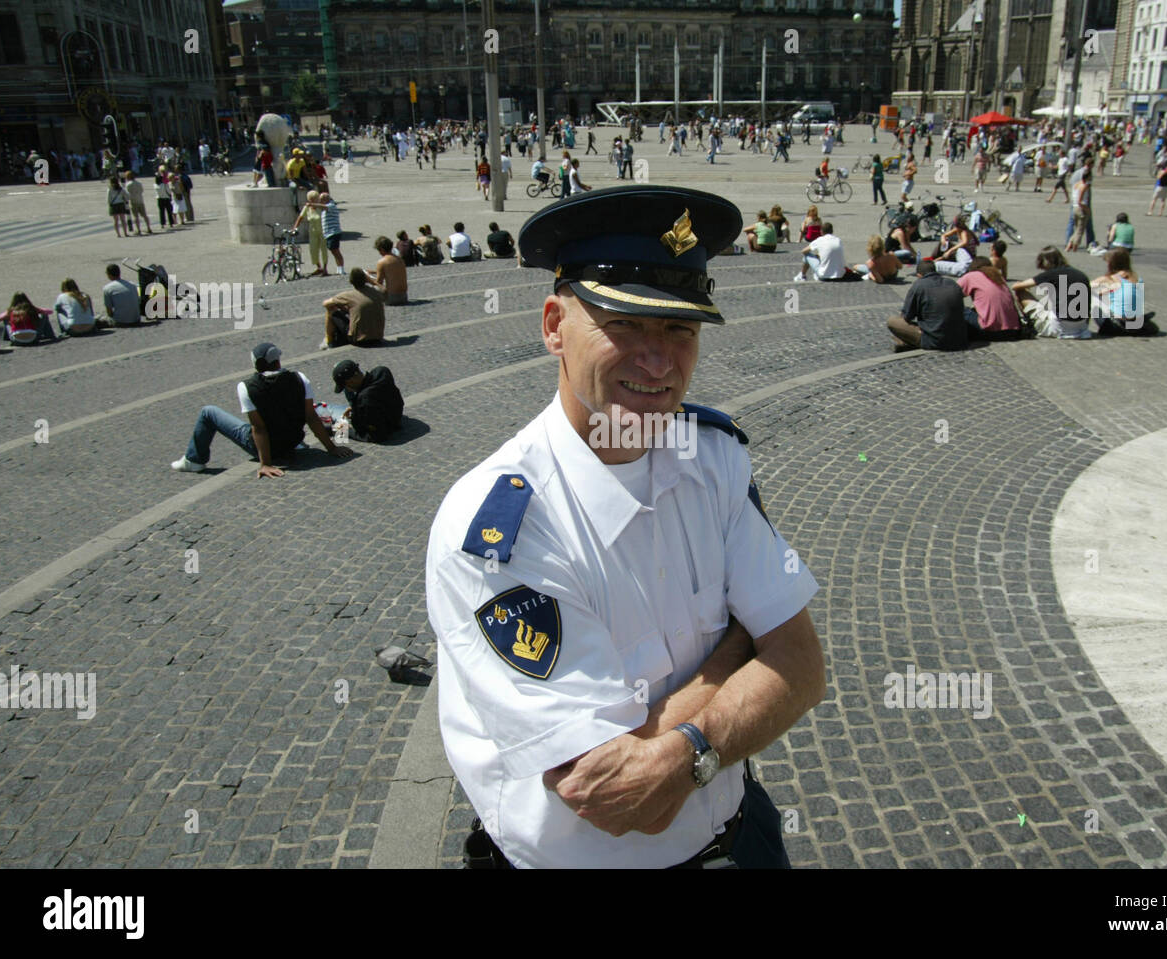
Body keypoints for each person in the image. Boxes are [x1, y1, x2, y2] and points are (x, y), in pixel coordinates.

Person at [424, 184, 825, 869]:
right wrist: (738, 649)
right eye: (626, 324)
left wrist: (678, 748)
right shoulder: (499, 530)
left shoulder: (713, 458)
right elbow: (614, 793)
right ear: (554, 324)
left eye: (680, 329)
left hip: (742, 837)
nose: (660, 361)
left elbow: (801, 664)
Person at [170, 342, 355, 475]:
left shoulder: (246, 387)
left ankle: (194, 460)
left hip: (270, 447)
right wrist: (331, 448)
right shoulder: (300, 378)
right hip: (291, 440)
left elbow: (258, 428)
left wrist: (265, 463)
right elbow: (311, 417)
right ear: (278, 361)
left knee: (208, 412)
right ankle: (293, 447)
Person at [1011, 245, 1093, 339]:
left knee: (1020, 291)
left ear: (1046, 262)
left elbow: (1016, 286)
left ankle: (1031, 324)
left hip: (1059, 328)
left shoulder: (1051, 274)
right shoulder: (1080, 274)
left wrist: (1025, 288)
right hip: (1082, 327)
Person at [886, 259, 968, 352]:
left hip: (934, 340)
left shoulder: (919, 285)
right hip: (959, 339)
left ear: (919, 275)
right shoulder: (952, 283)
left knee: (892, 321)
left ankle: (908, 341)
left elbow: (907, 316)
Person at [331, 359, 404, 442]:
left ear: (350, 381)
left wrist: (347, 427)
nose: (347, 387)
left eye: (346, 385)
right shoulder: (382, 371)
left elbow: (376, 435)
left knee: (328, 412)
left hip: (383, 425)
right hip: (395, 416)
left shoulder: (364, 401)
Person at [1090, 248, 1159, 336]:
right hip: (1134, 321)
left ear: (1112, 263)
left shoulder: (1110, 278)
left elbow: (1086, 285)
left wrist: (1102, 290)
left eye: (1107, 262)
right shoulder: (1137, 279)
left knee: (1091, 294)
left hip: (1116, 323)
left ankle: (1080, 326)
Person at [320, 268, 387, 348]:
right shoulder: (376, 292)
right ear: (365, 280)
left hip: (357, 339)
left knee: (331, 309)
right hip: (377, 337)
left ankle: (329, 341)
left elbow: (325, 304)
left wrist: (340, 305)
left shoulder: (349, 296)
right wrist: (372, 281)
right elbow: (385, 291)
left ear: (351, 282)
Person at [958, 257, 1023, 340]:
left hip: (989, 330)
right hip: (1012, 331)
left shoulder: (971, 276)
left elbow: (950, 294)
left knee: (960, 310)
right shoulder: (998, 276)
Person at [293, 190, 329, 276]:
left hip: (323, 231)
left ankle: (325, 268)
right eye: (311, 199)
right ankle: (318, 267)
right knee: (313, 250)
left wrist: (314, 204)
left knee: (324, 250)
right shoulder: (307, 207)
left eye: (314, 199)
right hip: (312, 231)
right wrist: (295, 227)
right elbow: (300, 217)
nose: (312, 201)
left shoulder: (321, 207)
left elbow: (327, 207)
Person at [369, 235, 408, 305]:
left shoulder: (382, 262)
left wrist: (367, 279)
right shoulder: (400, 259)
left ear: (382, 249)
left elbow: (378, 283)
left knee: (372, 288)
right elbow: (393, 272)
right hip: (404, 296)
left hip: (392, 298)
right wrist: (376, 271)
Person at [319, 192, 346, 274]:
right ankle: (338, 268)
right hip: (328, 233)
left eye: (321, 200)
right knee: (334, 251)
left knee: (336, 251)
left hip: (333, 232)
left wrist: (312, 204)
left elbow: (323, 207)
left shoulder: (331, 205)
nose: (320, 202)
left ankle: (341, 269)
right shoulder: (326, 208)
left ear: (325, 199)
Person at [122, 171, 153, 235]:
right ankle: (149, 228)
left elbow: (127, 194)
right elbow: (142, 191)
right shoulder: (139, 183)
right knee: (144, 215)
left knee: (136, 216)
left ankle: (138, 229)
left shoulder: (128, 184)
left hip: (133, 201)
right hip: (140, 200)